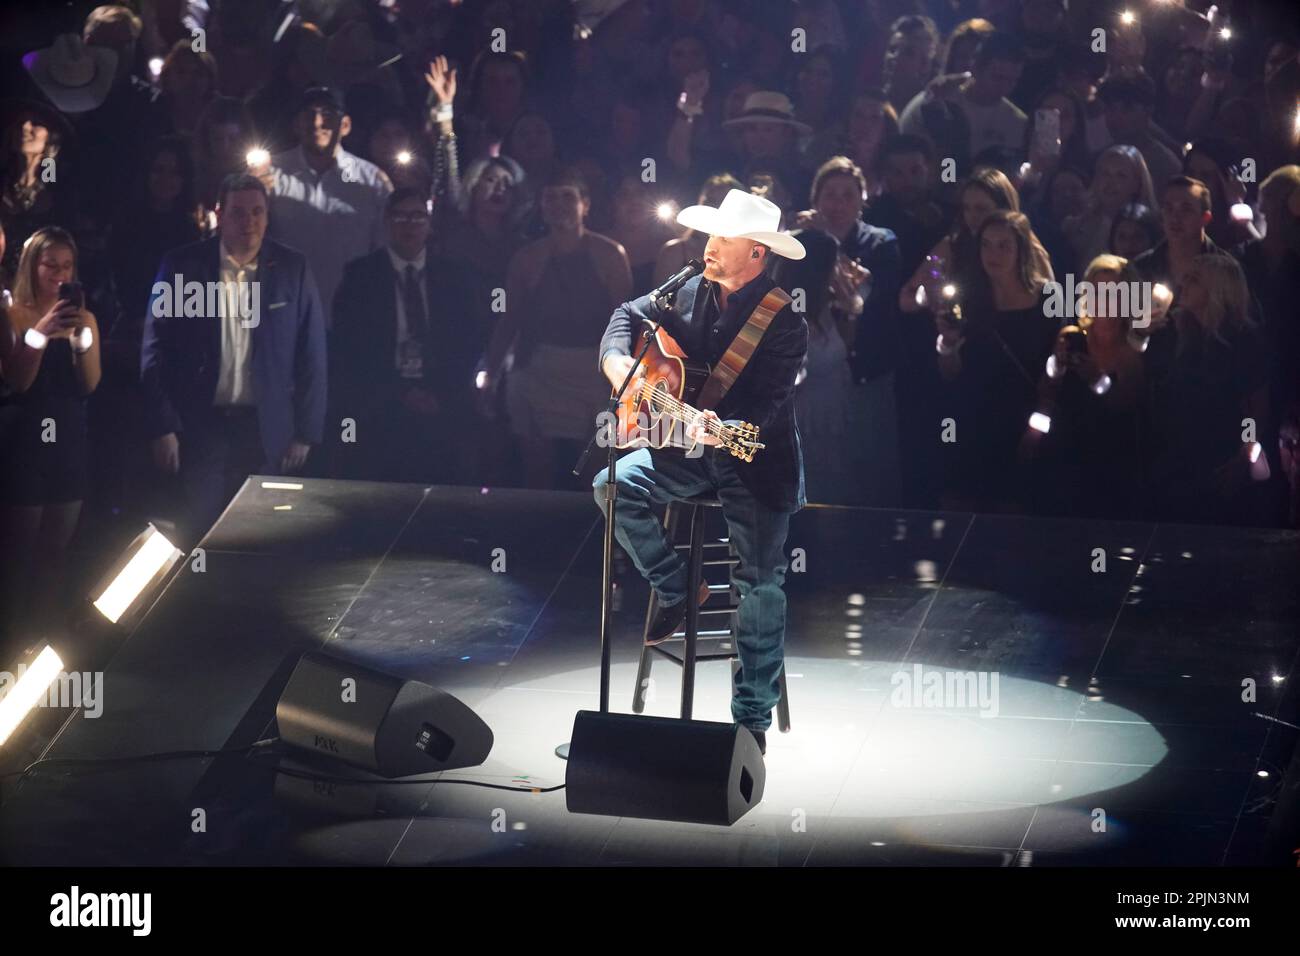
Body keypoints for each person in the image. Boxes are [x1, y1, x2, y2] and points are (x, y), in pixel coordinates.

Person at [593, 188, 809, 756]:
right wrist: (617, 362)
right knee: (611, 485)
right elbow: (625, 314)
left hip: (753, 464)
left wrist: (723, 426)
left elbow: (767, 405)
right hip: (684, 454)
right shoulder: (686, 290)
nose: (709, 246)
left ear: (757, 253)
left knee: (759, 586)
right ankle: (679, 587)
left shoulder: (784, 322)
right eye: (710, 234)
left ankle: (750, 722)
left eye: (724, 239)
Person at [140, 173, 327, 541]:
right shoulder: (183, 266)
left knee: (261, 540)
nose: (249, 221)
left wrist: (306, 431)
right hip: (201, 427)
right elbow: (154, 350)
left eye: (258, 212)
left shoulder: (292, 268)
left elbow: (312, 354)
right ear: (219, 214)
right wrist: (162, 425)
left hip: (266, 431)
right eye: (239, 212)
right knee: (200, 535)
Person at [480, 168, 632, 489]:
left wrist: (624, 381)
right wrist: (491, 374)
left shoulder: (610, 254)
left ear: (585, 205)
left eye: (568, 196)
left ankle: (590, 536)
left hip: (594, 368)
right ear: (541, 205)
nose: (559, 204)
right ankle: (539, 535)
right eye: (551, 197)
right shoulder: (526, 258)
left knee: (593, 466)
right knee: (537, 466)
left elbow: (624, 321)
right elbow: (510, 321)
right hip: (539, 367)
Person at [330, 189, 480, 484]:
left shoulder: (454, 276)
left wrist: (439, 392)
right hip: (381, 399)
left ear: (429, 223)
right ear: (386, 222)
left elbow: (468, 340)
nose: (409, 225)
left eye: (417, 217)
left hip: (440, 399)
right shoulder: (361, 276)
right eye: (400, 217)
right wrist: (400, 392)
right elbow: (350, 347)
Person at [0, 227, 101, 646]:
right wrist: (41, 331)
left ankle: (43, 640)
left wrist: (80, 339)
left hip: (69, 442)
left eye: (66, 266)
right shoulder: (14, 314)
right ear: (32, 265)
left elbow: (91, 384)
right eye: (50, 265)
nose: (59, 275)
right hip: (25, 440)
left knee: (55, 554)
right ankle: (10, 639)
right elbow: (18, 381)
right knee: (17, 555)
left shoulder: (86, 318)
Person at [785, 156, 901, 505]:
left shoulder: (880, 242)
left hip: (864, 371)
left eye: (848, 195)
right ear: (815, 199)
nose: (838, 204)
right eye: (830, 195)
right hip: (808, 377)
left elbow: (875, 297)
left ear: (862, 200)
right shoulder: (798, 243)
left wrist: (825, 244)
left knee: (867, 467)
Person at [934, 209, 1056, 512]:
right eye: (987, 244)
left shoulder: (1047, 297)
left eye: (1004, 245)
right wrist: (947, 342)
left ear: (1020, 249)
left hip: (1025, 419)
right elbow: (950, 374)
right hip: (974, 422)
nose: (994, 253)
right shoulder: (969, 299)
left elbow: (1054, 371)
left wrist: (1037, 425)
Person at [1143, 253, 1270, 525]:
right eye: (1185, 277)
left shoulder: (1242, 339)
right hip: (1179, 456)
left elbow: (1256, 405)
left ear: (1217, 289)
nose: (1183, 284)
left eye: (1194, 279)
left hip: (1220, 458)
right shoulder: (1178, 333)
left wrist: (1243, 456)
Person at [262, 87, 393, 328]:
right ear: (296, 124)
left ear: (345, 125)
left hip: (352, 315)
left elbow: (385, 250)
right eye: (309, 114)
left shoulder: (372, 181)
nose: (317, 122)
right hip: (287, 313)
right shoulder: (270, 174)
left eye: (327, 114)